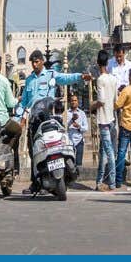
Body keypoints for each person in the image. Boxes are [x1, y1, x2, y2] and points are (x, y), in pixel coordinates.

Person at [18, 50, 83, 195]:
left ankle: (60, 173)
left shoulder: (51, 75)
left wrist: (81, 76)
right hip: (34, 120)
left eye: (36, 61)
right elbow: (24, 103)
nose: (34, 65)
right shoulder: (29, 80)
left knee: (56, 145)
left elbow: (66, 78)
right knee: (33, 151)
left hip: (49, 118)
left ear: (41, 61)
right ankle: (36, 182)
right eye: (32, 62)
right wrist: (19, 118)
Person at [93, 49, 120, 191]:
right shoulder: (113, 79)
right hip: (112, 118)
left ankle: (112, 182)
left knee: (108, 151)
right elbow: (116, 100)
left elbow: (101, 100)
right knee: (104, 151)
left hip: (103, 119)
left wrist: (93, 105)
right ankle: (99, 180)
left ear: (98, 64)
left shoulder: (100, 79)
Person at [67, 93, 88, 176]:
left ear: (78, 102)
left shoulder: (82, 113)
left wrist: (79, 127)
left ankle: (77, 180)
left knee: (79, 164)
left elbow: (86, 128)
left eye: (75, 100)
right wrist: (71, 120)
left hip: (79, 139)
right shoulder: (66, 113)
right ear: (70, 102)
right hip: (69, 140)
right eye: (72, 101)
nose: (73, 102)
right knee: (69, 162)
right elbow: (64, 127)